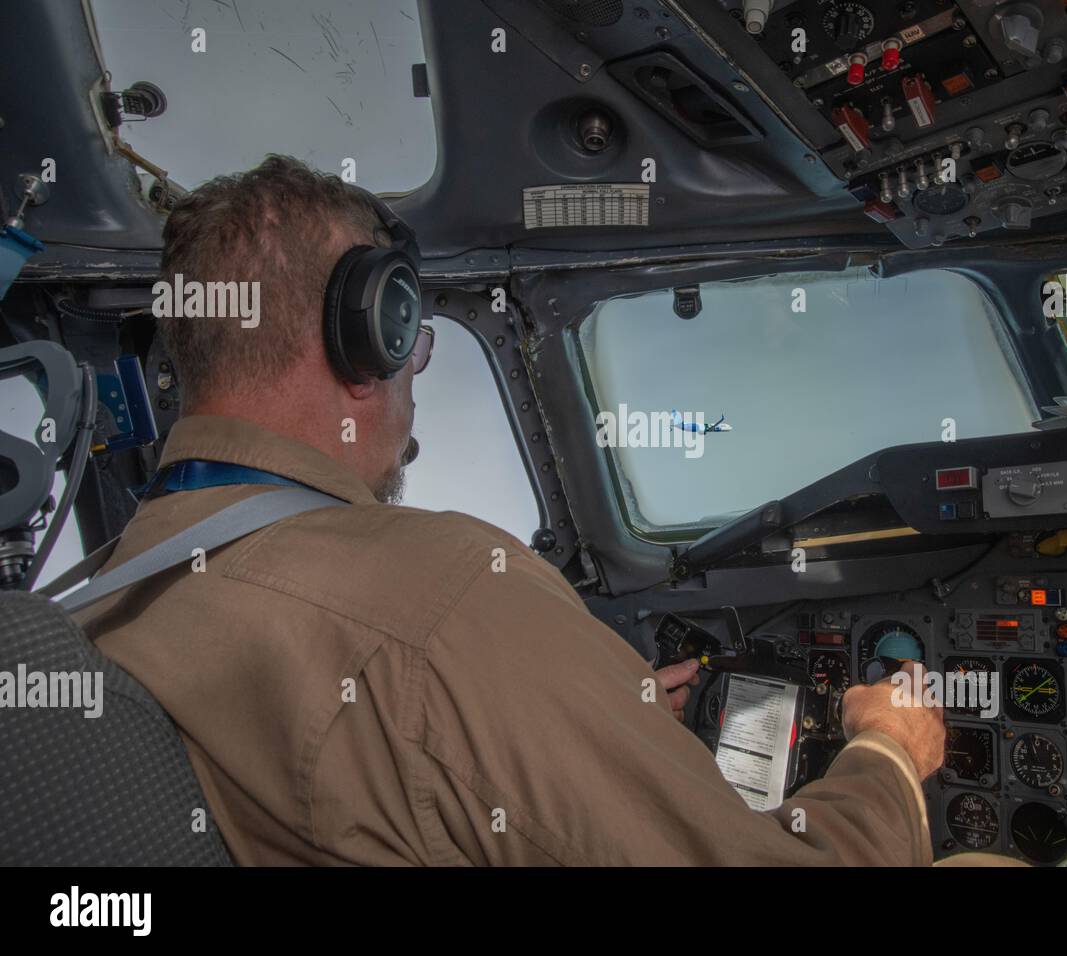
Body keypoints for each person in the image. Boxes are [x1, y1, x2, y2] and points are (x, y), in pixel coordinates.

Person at [79, 155, 946, 865]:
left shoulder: (104, 604)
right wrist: (889, 755)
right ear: (367, 338)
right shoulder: (441, 599)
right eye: (411, 340)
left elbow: (368, 766)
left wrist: (584, 720)